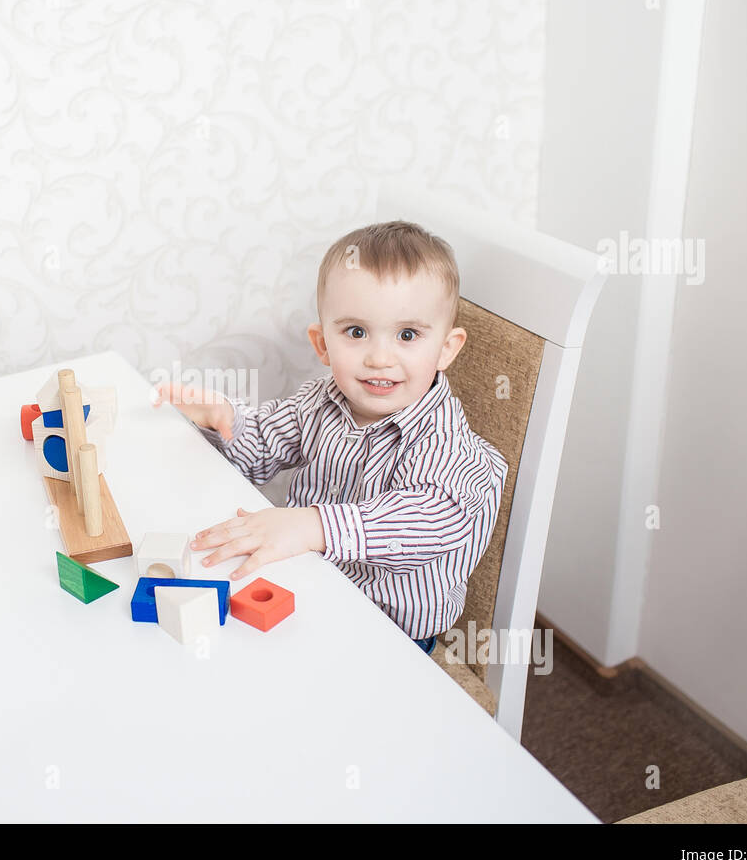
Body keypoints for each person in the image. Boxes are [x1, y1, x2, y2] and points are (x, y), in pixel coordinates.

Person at [152, 221, 508, 654]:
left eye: (408, 335)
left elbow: (428, 523)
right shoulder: (320, 400)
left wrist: (314, 524)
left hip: (390, 628)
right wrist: (223, 421)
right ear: (322, 344)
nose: (379, 358)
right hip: (312, 581)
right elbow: (262, 447)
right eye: (356, 333)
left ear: (447, 349)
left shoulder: (444, 442)